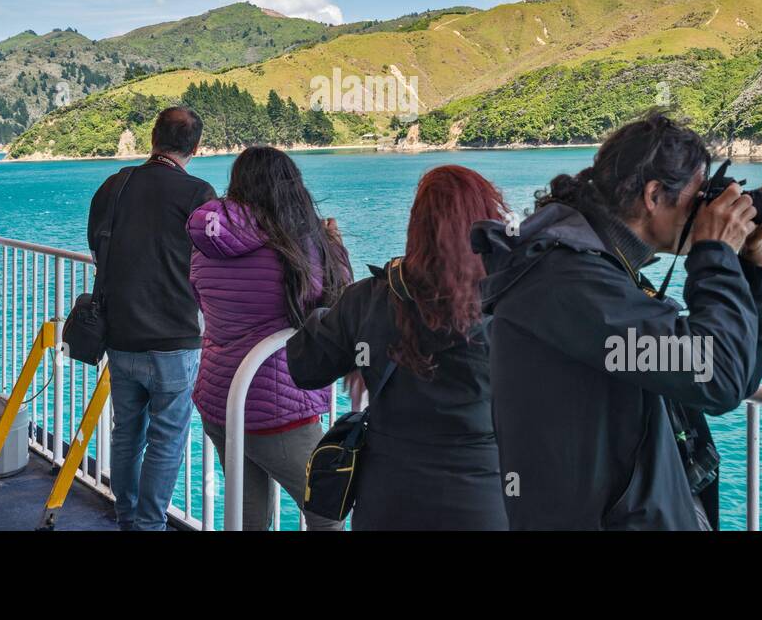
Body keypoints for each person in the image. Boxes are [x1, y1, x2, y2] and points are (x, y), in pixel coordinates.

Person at [475, 111, 762, 530]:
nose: (706, 213)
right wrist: (715, 254)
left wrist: (757, 275)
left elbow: (731, 376)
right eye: (699, 198)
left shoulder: (599, 271)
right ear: (654, 195)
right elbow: (721, 377)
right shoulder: (569, 280)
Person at [287, 165, 510, 530]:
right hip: (486, 498)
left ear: (416, 227)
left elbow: (305, 366)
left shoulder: (370, 298)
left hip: (388, 498)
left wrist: (346, 323)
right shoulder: (516, 305)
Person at [188, 145, 352, 531]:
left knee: (248, 514)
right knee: (328, 511)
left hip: (220, 398)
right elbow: (338, 307)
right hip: (278, 409)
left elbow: (201, 298)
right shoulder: (298, 245)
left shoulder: (206, 245)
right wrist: (336, 248)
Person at [86, 107, 216, 531]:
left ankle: (127, 517)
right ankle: (148, 524)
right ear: (194, 148)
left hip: (120, 334)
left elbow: (96, 247)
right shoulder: (198, 193)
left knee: (127, 434)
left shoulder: (114, 186)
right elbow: (215, 259)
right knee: (167, 439)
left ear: (153, 137)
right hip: (175, 336)